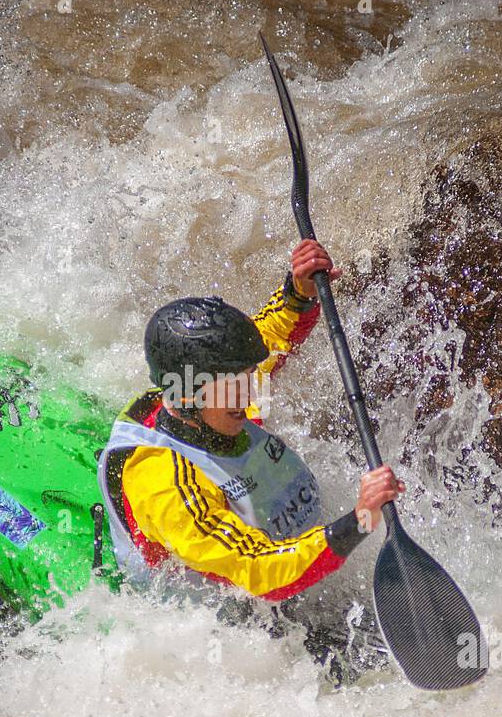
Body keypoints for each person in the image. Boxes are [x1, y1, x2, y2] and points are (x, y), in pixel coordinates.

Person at [97, 239, 405, 603]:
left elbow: (268, 338)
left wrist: (298, 293)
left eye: (247, 378)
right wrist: (360, 521)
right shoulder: (163, 485)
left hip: (282, 566)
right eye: (233, 386)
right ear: (186, 396)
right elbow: (258, 569)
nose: (248, 395)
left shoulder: (210, 400)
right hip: (218, 616)